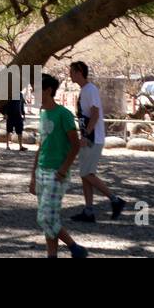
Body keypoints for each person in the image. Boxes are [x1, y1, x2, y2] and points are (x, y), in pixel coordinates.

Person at [30, 72, 88, 258]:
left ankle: (74, 247)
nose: (34, 93)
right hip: (41, 171)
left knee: (44, 217)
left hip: (57, 172)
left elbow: (75, 144)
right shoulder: (43, 113)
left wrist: (63, 169)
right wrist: (33, 175)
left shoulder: (63, 114)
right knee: (51, 219)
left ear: (48, 90)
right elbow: (41, 145)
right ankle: (52, 254)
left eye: (37, 90)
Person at [68, 62, 126, 222]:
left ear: (79, 72)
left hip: (93, 138)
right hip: (89, 137)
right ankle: (88, 210)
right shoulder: (85, 90)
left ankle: (115, 200)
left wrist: (86, 134)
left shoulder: (90, 90)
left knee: (86, 173)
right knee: (85, 174)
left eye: (71, 72)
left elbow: (95, 113)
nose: (69, 75)